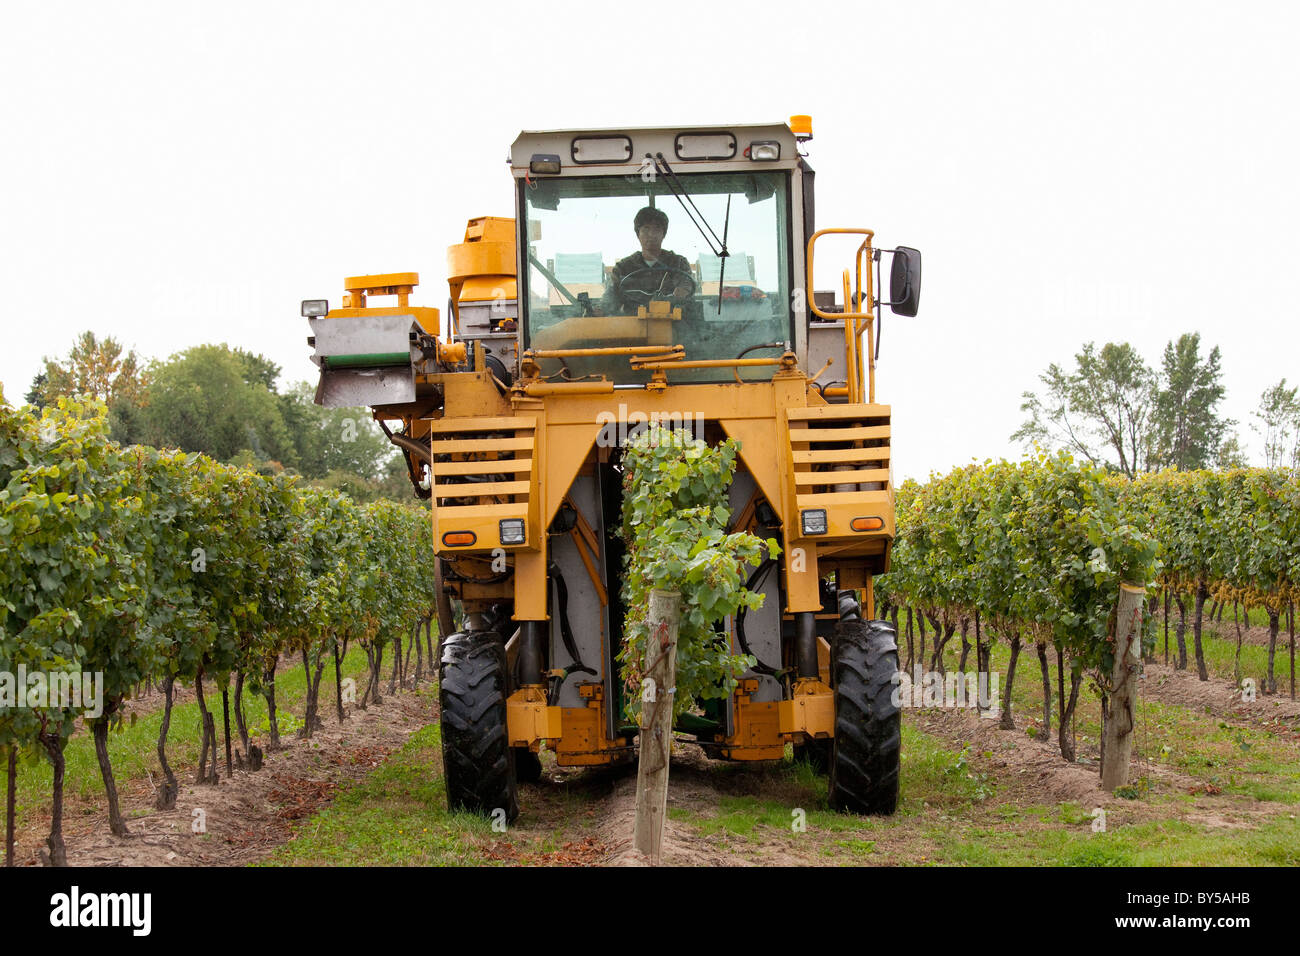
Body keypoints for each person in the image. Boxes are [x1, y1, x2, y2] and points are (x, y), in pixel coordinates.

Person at [598, 206, 698, 317]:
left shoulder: (678, 263)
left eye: (656, 229)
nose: (651, 234)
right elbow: (609, 302)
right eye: (646, 229)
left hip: (673, 327)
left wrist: (677, 296)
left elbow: (685, 290)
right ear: (638, 234)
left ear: (663, 234)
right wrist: (598, 311)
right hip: (633, 330)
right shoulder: (623, 268)